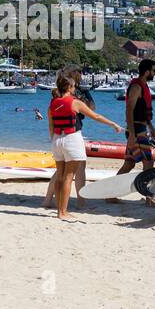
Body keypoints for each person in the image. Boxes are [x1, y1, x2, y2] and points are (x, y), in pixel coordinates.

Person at [46, 74, 121, 220]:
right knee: (68, 177)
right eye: (73, 86)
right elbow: (96, 116)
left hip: (56, 140)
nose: (75, 89)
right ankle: (63, 212)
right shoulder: (75, 102)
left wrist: (55, 139)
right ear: (69, 87)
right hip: (71, 140)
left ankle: (59, 211)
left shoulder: (53, 104)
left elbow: (51, 126)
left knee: (60, 176)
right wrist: (113, 124)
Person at [109, 59, 155, 204]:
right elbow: (129, 110)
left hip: (141, 128)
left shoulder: (144, 86)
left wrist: (151, 127)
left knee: (129, 163)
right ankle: (149, 199)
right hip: (136, 131)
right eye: (154, 71)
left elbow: (143, 111)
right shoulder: (137, 86)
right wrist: (131, 134)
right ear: (147, 71)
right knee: (148, 164)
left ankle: (110, 194)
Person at [43, 67, 96, 207]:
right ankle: (81, 200)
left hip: (58, 135)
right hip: (72, 132)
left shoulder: (58, 93)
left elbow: (51, 117)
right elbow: (93, 110)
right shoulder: (79, 92)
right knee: (79, 168)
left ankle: (48, 199)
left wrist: (52, 137)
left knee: (60, 171)